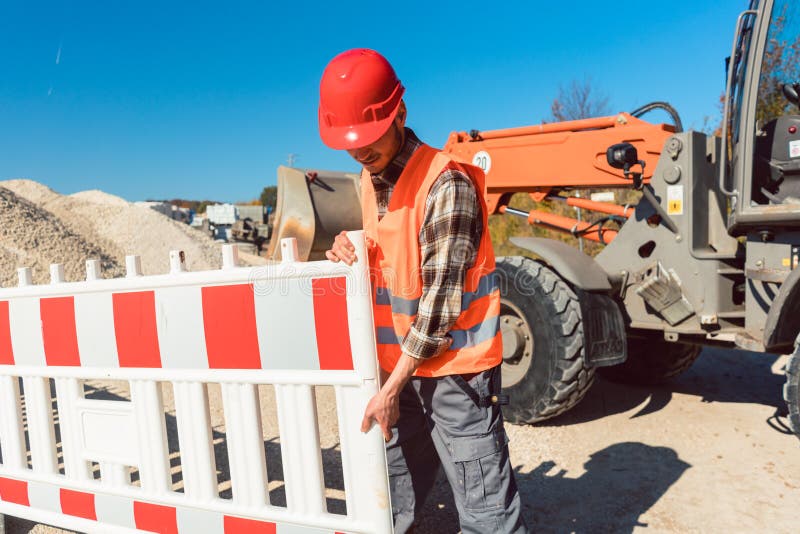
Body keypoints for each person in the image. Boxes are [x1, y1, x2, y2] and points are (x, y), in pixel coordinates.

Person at [320, 48, 528, 534]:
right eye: (350, 142)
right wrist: (351, 246)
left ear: (400, 114)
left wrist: (390, 389)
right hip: (401, 372)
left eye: (368, 138)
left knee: (485, 512)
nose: (358, 151)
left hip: (455, 376)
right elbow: (393, 257)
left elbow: (439, 304)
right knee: (392, 497)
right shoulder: (369, 182)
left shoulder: (446, 183)